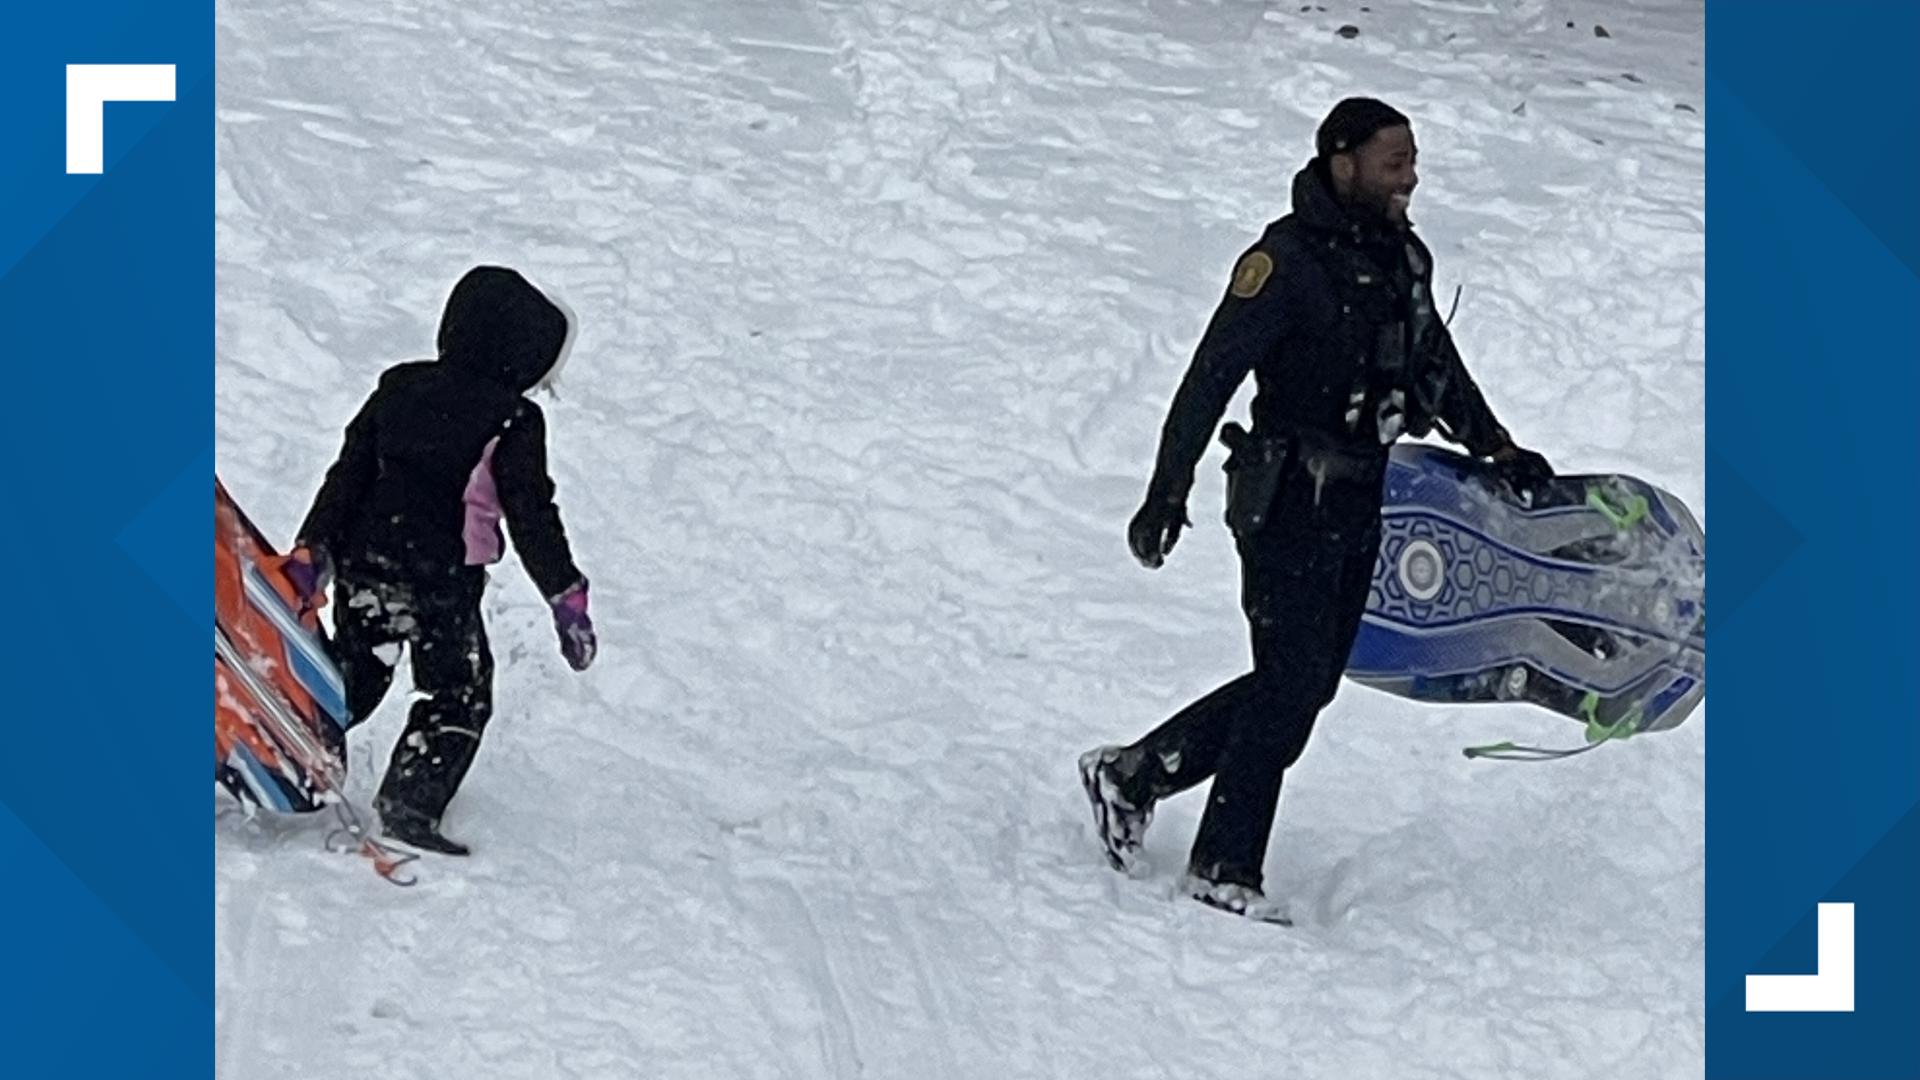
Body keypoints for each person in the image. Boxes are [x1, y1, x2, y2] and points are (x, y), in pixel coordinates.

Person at [1078, 98, 1553, 921]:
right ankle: (1224, 866)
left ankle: (1134, 774)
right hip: (1287, 498)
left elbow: (1435, 365)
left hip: (1361, 498)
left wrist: (1498, 447)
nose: (1410, 178)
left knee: (1304, 685)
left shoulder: (1405, 259)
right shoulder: (1283, 263)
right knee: (1291, 679)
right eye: (1393, 163)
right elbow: (1209, 378)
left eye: (1412, 161)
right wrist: (1167, 489)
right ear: (1342, 164)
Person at [287, 265, 598, 856]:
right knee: (458, 692)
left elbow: (348, 476)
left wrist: (316, 550)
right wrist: (566, 595)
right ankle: (409, 803)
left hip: (367, 567)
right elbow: (532, 515)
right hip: (441, 583)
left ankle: (291, 731)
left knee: (357, 669)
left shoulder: (398, 387)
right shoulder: (513, 420)